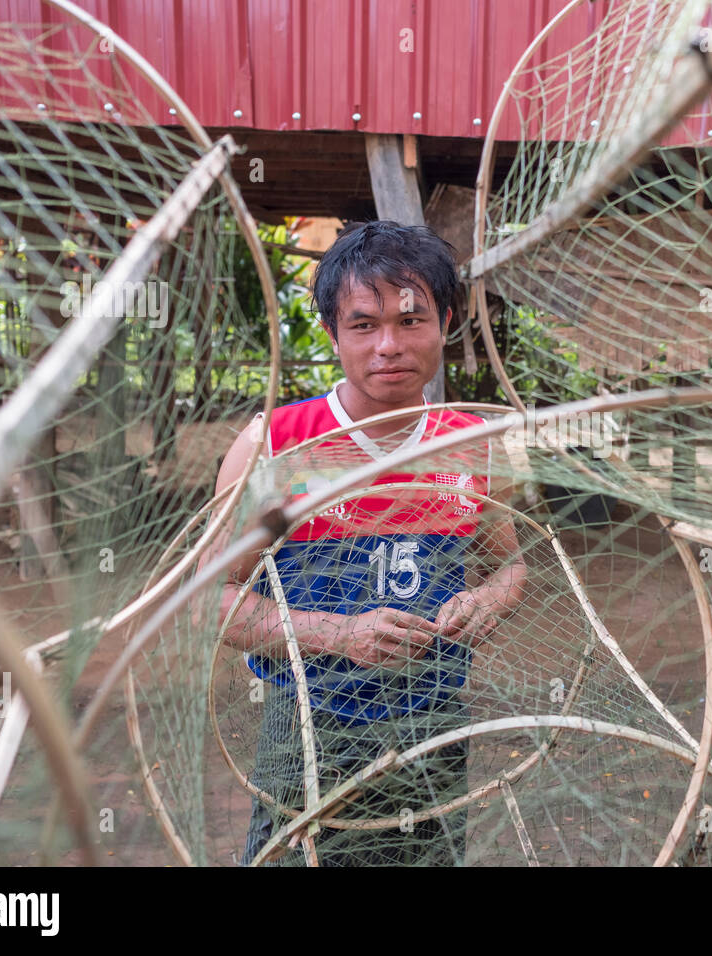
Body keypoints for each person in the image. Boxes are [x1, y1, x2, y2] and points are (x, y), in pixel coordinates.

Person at [211, 220, 527, 866]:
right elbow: (209, 601)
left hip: (433, 721)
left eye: (410, 321)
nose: (389, 345)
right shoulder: (275, 446)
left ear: (444, 322)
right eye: (363, 325)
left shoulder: (473, 443)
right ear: (331, 333)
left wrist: (486, 602)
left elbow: (510, 566)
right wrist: (339, 634)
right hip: (309, 725)